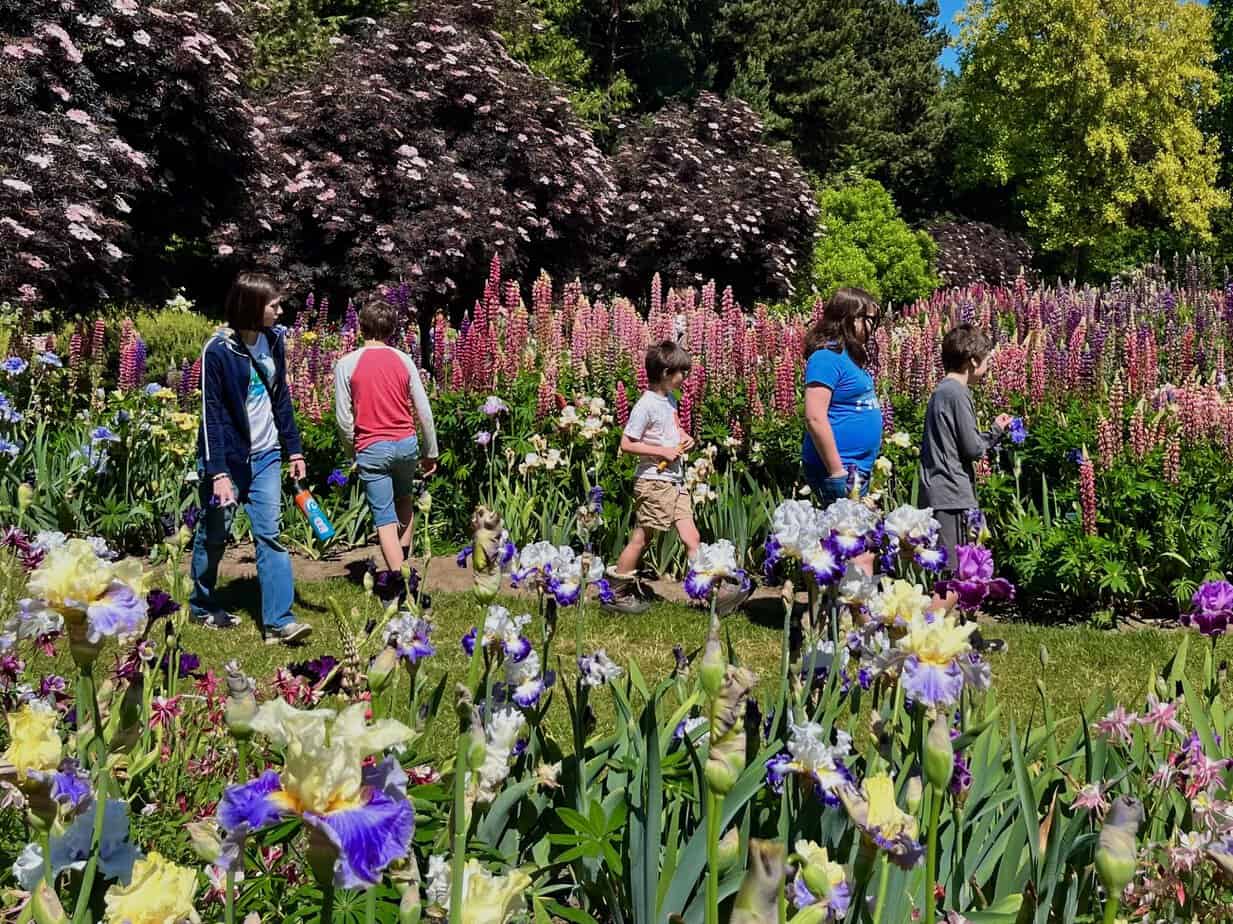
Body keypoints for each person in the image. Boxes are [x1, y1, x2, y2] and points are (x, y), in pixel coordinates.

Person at [191, 272, 312, 644]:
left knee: (270, 534)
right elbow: (210, 415)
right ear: (251, 306)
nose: (280, 310)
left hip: (266, 456)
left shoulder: (274, 340)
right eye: (273, 304)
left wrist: (293, 448)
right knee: (215, 535)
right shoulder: (217, 351)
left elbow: (281, 399)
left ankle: (278, 622)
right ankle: (202, 605)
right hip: (226, 461)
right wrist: (218, 474)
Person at [333, 298, 439, 584]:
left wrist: (351, 451)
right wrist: (431, 452)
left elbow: (344, 419)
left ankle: (402, 583)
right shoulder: (403, 359)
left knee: (384, 518)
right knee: (404, 500)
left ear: (361, 328)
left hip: (371, 446)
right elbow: (424, 412)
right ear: (392, 329)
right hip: (406, 443)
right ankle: (405, 567)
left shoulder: (346, 364)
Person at [603, 341, 697, 615]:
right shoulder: (645, 405)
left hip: (674, 480)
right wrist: (662, 451)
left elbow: (675, 429)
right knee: (642, 538)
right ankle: (616, 594)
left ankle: (711, 590)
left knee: (692, 536)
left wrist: (684, 439)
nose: (686, 377)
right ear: (667, 372)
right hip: (654, 481)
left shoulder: (669, 399)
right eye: (682, 372)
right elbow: (627, 444)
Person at [919, 323, 1012, 567]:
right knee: (959, 573)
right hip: (953, 496)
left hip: (942, 493)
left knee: (969, 569)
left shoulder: (943, 390)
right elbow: (973, 448)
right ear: (973, 360)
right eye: (987, 358)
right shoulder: (957, 393)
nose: (989, 365)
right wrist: (994, 432)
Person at [801, 288, 884, 504]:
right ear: (850, 318)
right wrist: (837, 471)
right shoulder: (826, 358)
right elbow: (814, 418)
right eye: (870, 320)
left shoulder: (849, 357)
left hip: (856, 470)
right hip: (839, 472)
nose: (872, 327)